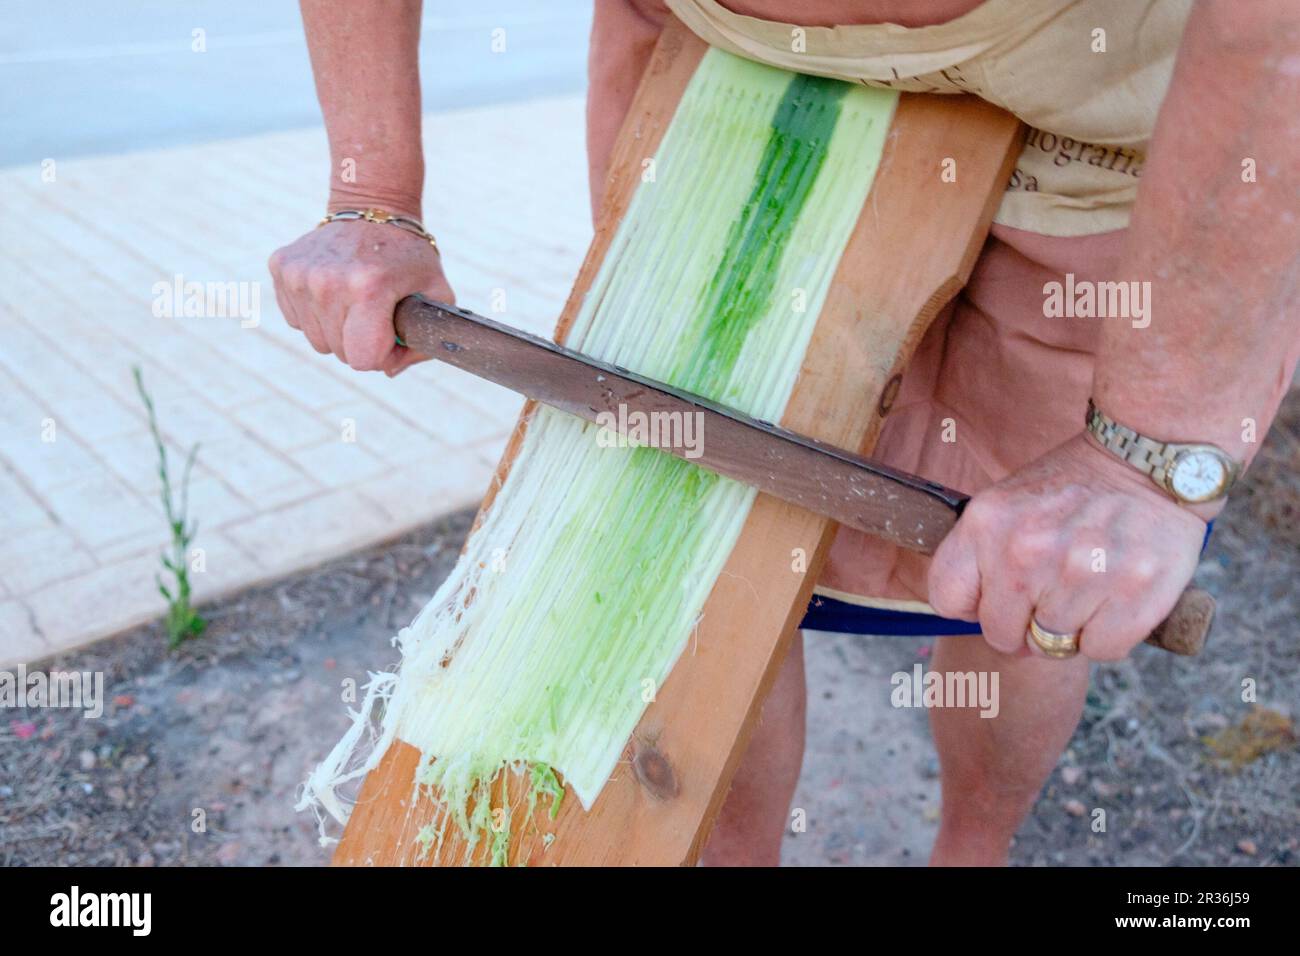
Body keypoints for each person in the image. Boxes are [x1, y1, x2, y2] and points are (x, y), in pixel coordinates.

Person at [269, 0, 1300, 865]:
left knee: (1036, 569)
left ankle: (972, 853)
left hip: (1079, 87)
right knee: (693, 541)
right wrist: (372, 194)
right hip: (718, 55)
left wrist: (1151, 453)